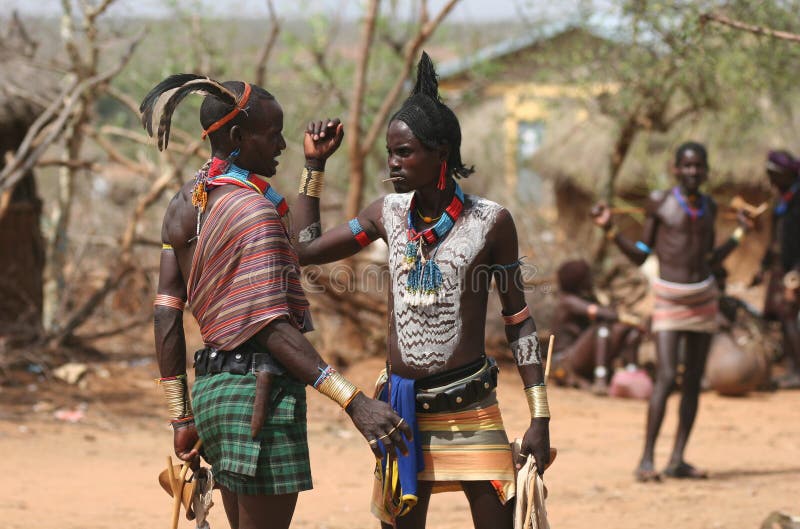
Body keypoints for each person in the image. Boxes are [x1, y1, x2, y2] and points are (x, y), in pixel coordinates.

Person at [290, 52, 551, 529]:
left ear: (441, 155)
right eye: (390, 152)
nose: (393, 162)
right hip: (402, 414)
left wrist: (540, 416)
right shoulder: (386, 213)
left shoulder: (491, 222)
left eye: (405, 152)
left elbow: (518, 318)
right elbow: (305, 250)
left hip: (472, 408)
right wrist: (313, 166)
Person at [143, 74, 411, 529]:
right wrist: (354, 402)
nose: (282, 144)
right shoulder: (253, 211)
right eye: (272, 134)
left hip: (214, 397)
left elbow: (167, 314)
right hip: (259, 397)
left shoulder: (184, 205)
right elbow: (271, 325)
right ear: (235, 137)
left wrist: (180, 416)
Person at [591, 141, 751, 482]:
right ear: (675, 169)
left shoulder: (709, 206)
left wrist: (740, 234)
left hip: (703, 299)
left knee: (693, 381)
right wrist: (609, 228)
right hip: (669, 300)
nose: (694, 171)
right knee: (665, 378)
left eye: (699, 166)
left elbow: (710, 258)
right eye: (687, 166)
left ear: (706, 170)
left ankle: (677, 459)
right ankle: (646, 460)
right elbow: (641, 254)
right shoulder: (660, 203)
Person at [551, 259, 644, 395]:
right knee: (601, 329)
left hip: (580, 357)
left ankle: (633, 377)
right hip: (565, 360)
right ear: (578, 280)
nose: (591, 280)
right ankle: (600, 381)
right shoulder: (568, 302)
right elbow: (600, 313)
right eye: (587, 277)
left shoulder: (585, 298)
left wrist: (629, 325)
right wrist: (625, 318)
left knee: (629, 331)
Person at [752, 150, 800, 388]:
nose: (770, 180)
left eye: (773, 175)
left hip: (794, 271)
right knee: (783, 318)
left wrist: (796, 275)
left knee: (790, 317)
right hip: (781, 267)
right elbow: (775, 241)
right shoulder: (783, 201)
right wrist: (763, 268)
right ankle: (791, 368)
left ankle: (797, 371)